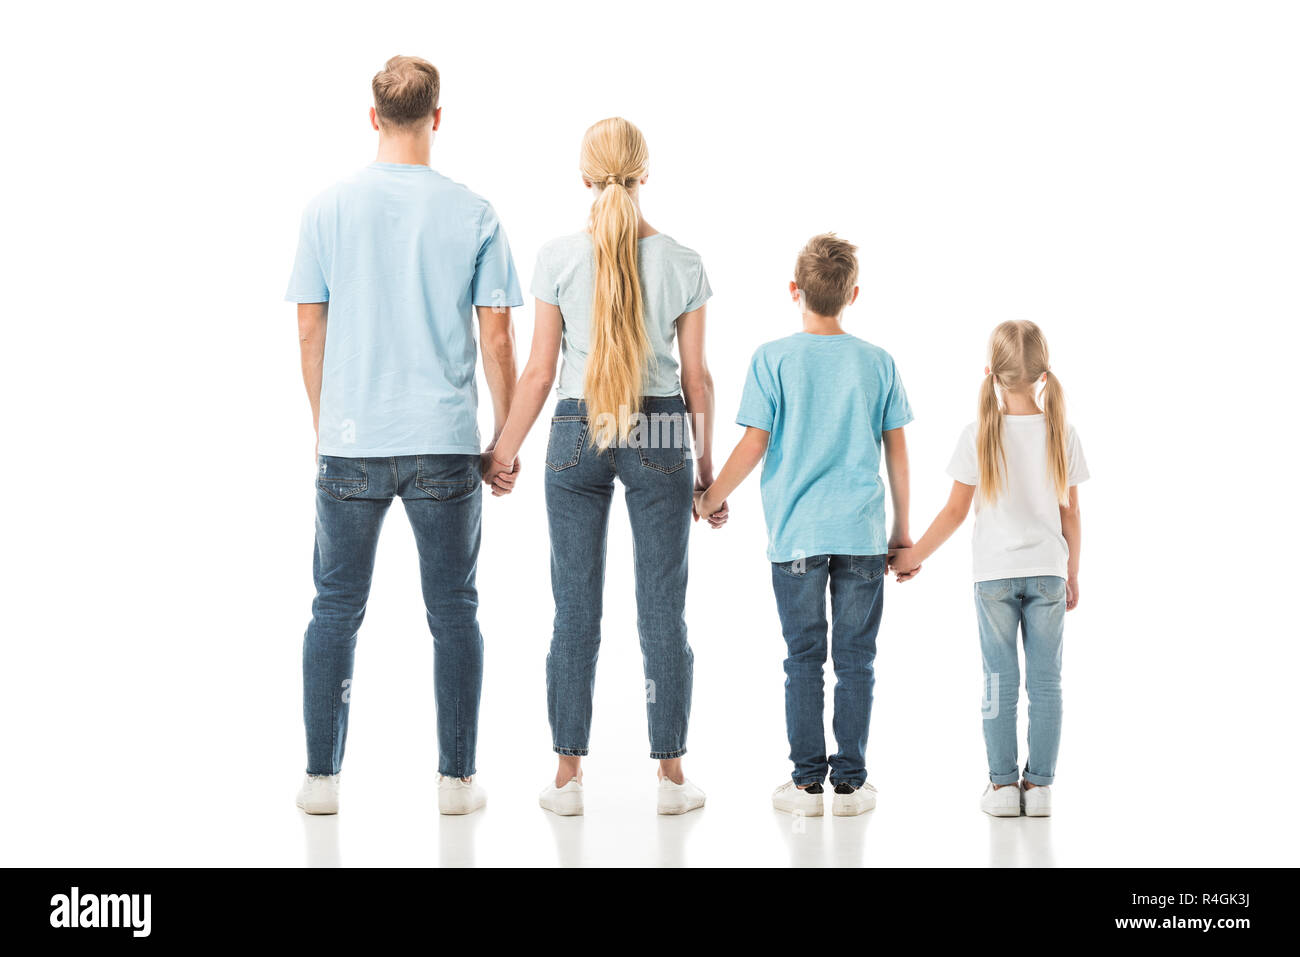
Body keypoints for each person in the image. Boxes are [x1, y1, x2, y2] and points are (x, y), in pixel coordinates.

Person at [285, 56, 522, 816]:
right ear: (438, 118)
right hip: (444, 442)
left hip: (351, 439)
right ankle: (456, 781)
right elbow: (497, 341)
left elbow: (308, 325)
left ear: (373, 117)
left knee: (333, 609)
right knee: (454, 610)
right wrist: (506, 438)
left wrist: (330, 427)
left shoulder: (326, 208)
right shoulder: (475, 212)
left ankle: (321, 779)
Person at [486, 118, 715, 816]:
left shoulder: (557, 256)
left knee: (574, 607)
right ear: (645, 175)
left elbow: (537, 373)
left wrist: (503, 450)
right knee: (662, 607)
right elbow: (698, 378)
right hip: (662, 425)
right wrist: (706, 472)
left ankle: (567, 775)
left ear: (585, 179)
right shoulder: (683, 260)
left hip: (576, 425)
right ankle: (672, 774)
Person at [695, 233, 912, 817]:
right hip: (864, 535)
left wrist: (709, 496)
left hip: (796, 536)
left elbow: (754, 444)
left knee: (802, 659)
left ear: (795, 291)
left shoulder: (772, 358)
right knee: (856, 660)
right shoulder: (878, 362)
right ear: (853, 295)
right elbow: (897, 452)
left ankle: (806, 784)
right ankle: (851, 784)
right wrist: (903, 530)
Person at [889, 320, 1087, 818]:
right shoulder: (1062, 431)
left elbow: (955, 512)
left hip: (994, 577)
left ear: (990, 373)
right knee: (1046, 683)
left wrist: (912, 555)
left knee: (998, 681)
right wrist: (1073, 572)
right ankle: (1038, 788)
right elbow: (1071, 514)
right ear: (1044, 374)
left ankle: (1002, 789)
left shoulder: (978, 432)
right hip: (1047, 572)